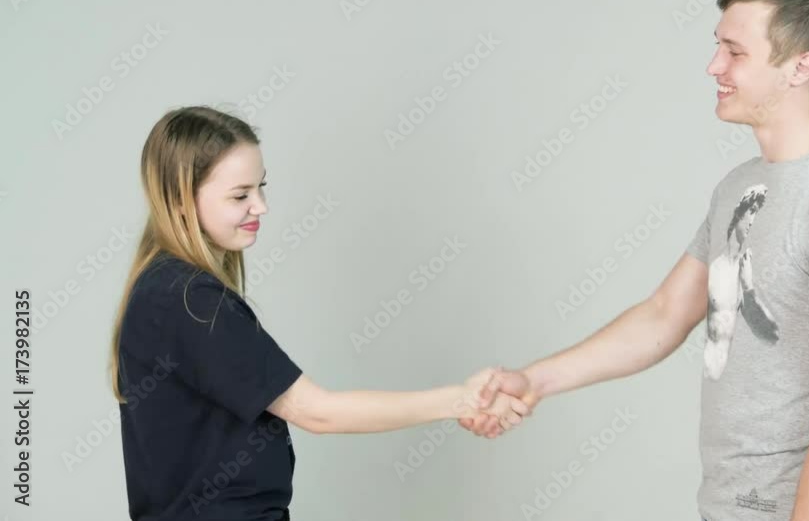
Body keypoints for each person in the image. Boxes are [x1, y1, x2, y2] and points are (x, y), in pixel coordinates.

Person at [461, 0, 809, 521]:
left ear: (802, 65)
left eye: (735, 52)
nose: (714, 67)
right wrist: (533, 380)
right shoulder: (741, 185)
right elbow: (663, 316)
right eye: (717, 48)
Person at [108, 106, 527, 521]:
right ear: (180, 200)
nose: (261, 207)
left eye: (261, 187)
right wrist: (462, 399)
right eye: (240, 195)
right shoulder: (189, 301)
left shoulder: (165, 289)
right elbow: (317, 410)